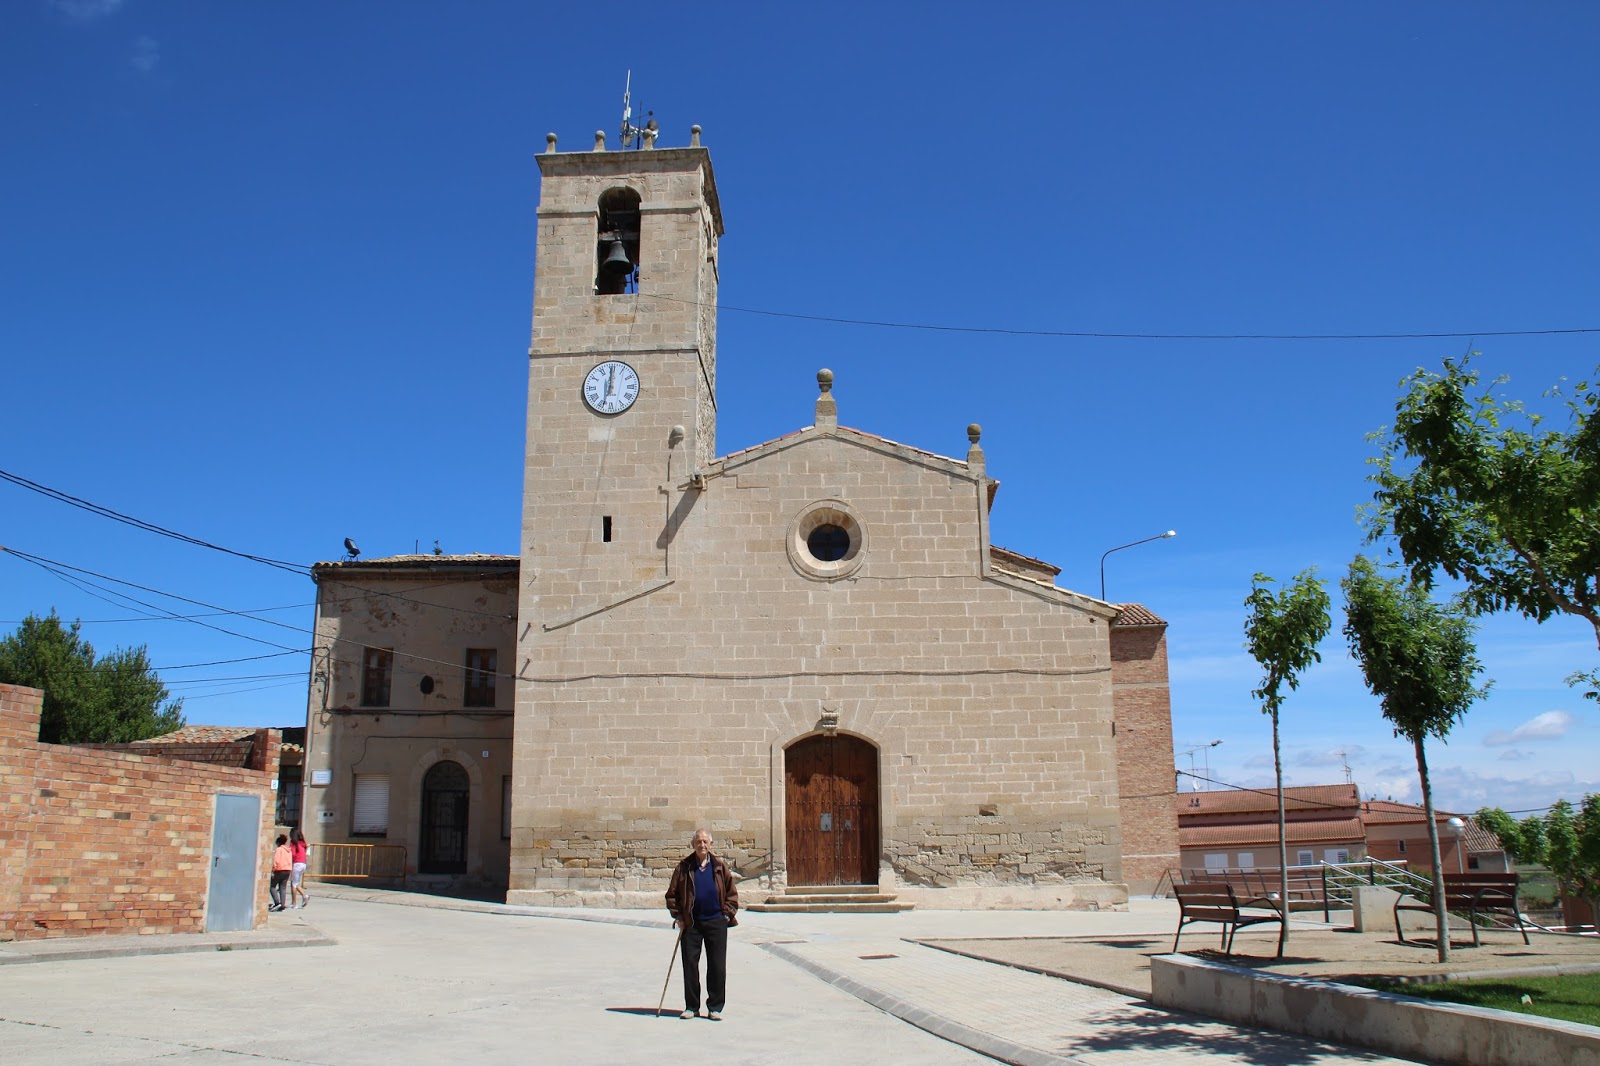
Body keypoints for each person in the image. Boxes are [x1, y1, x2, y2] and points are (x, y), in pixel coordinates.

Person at [664, 828, 738, 1020]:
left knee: (717, 966)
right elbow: (672, 895)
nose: (702, 845)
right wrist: (679, 916)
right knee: (690, 965)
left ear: (711, 845)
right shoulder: (684, 867)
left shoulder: (720, 867)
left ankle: (715, 1007)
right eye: (698, 842)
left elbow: (732, 895)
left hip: (716, 922)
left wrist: (726, 915)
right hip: (691, 923)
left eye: (705, 842)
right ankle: (691, 1006)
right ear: (693, 845)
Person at [269, 834, 292, 912]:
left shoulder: (279, 850)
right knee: (283, 888)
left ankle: (277, 902)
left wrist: (273, 870)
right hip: (287, 870)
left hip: (279, 870)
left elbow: (276, 860)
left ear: (278, 843)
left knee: (272, 886)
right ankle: (282, 905)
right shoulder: (289, 850)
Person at [289, 828, 310, 909]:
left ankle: (294, 903)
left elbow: (293, 854)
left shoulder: (293, 843)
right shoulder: (303, 843)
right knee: (296, 883)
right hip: (303, 864)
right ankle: (304, 896)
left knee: (293, 884)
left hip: (297, 864)